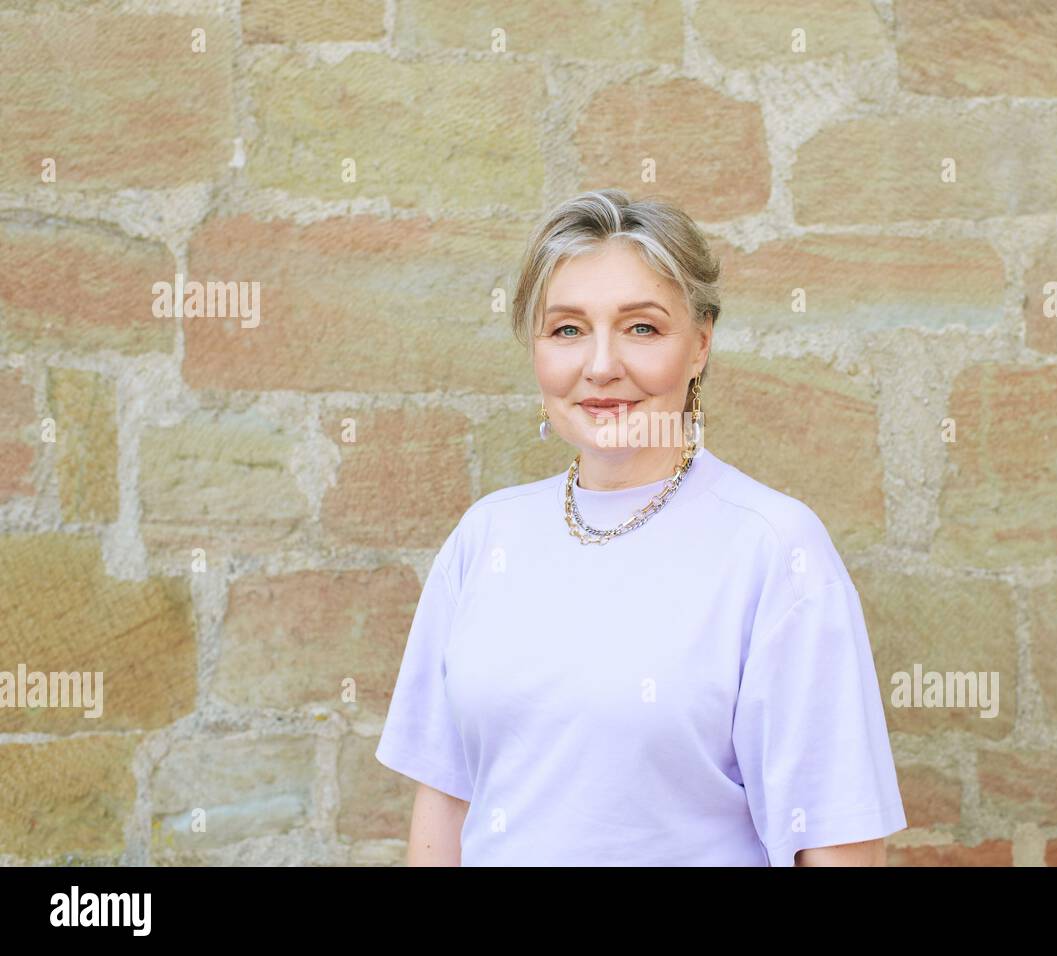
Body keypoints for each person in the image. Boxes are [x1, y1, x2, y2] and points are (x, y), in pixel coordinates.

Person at [376, 188, 907, 866]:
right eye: (568, 330)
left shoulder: (773, 548)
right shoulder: (485, 539)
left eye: (642, 328)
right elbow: (447, 800)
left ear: (700, 345)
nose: (601, 366)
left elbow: (835, 842)